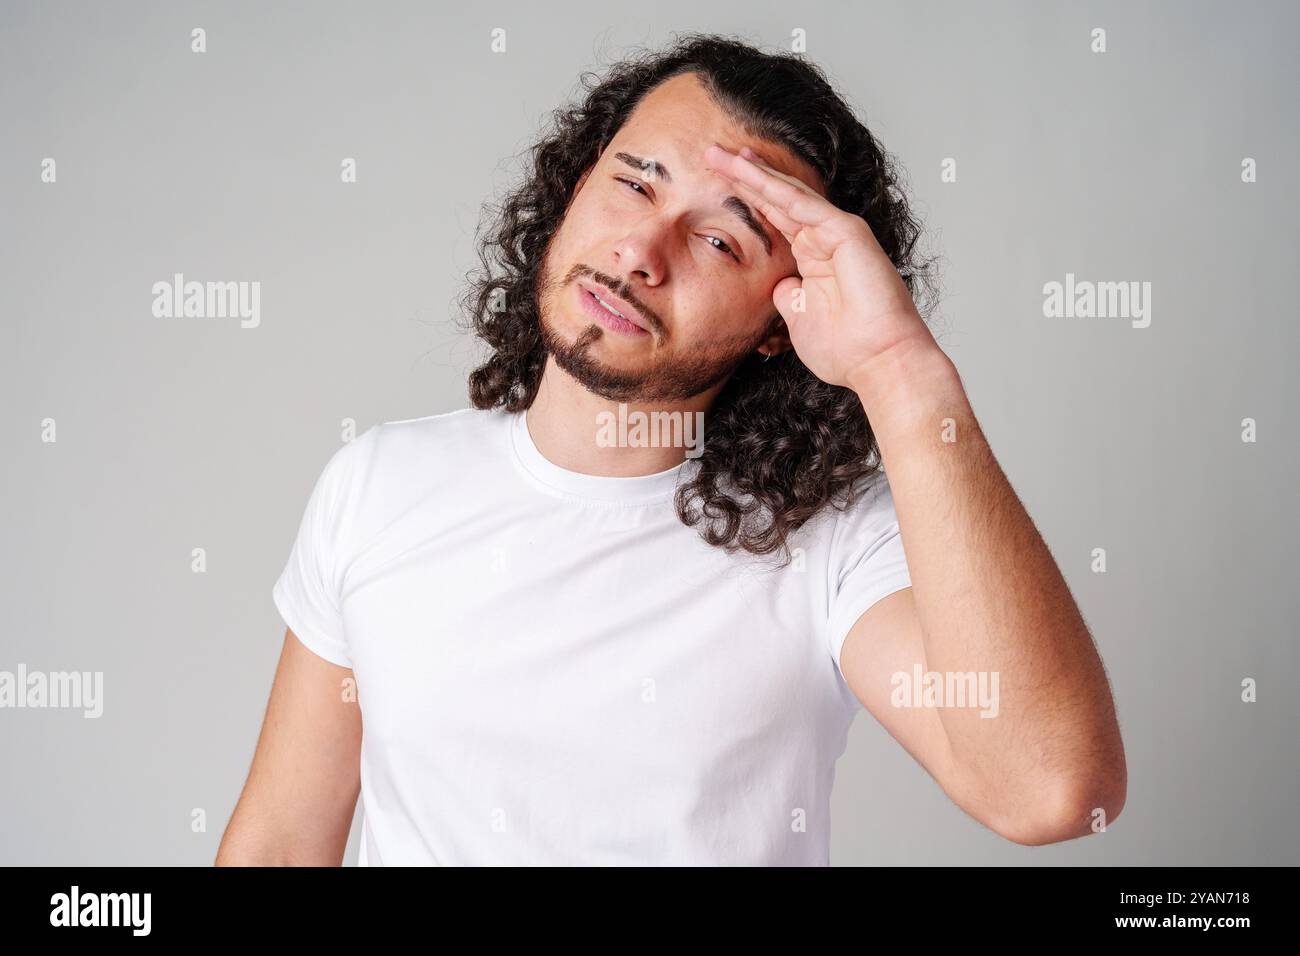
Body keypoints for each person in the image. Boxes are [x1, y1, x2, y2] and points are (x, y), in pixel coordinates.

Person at [217, 34, 1125, 866]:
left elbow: (1047, 790)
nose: (643, 252)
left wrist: (901, 373)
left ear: (783, 317)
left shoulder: (833, 546)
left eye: (721, 239)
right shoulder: (377, 485)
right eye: (635, 183)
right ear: (577, 182)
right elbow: (281, 845)